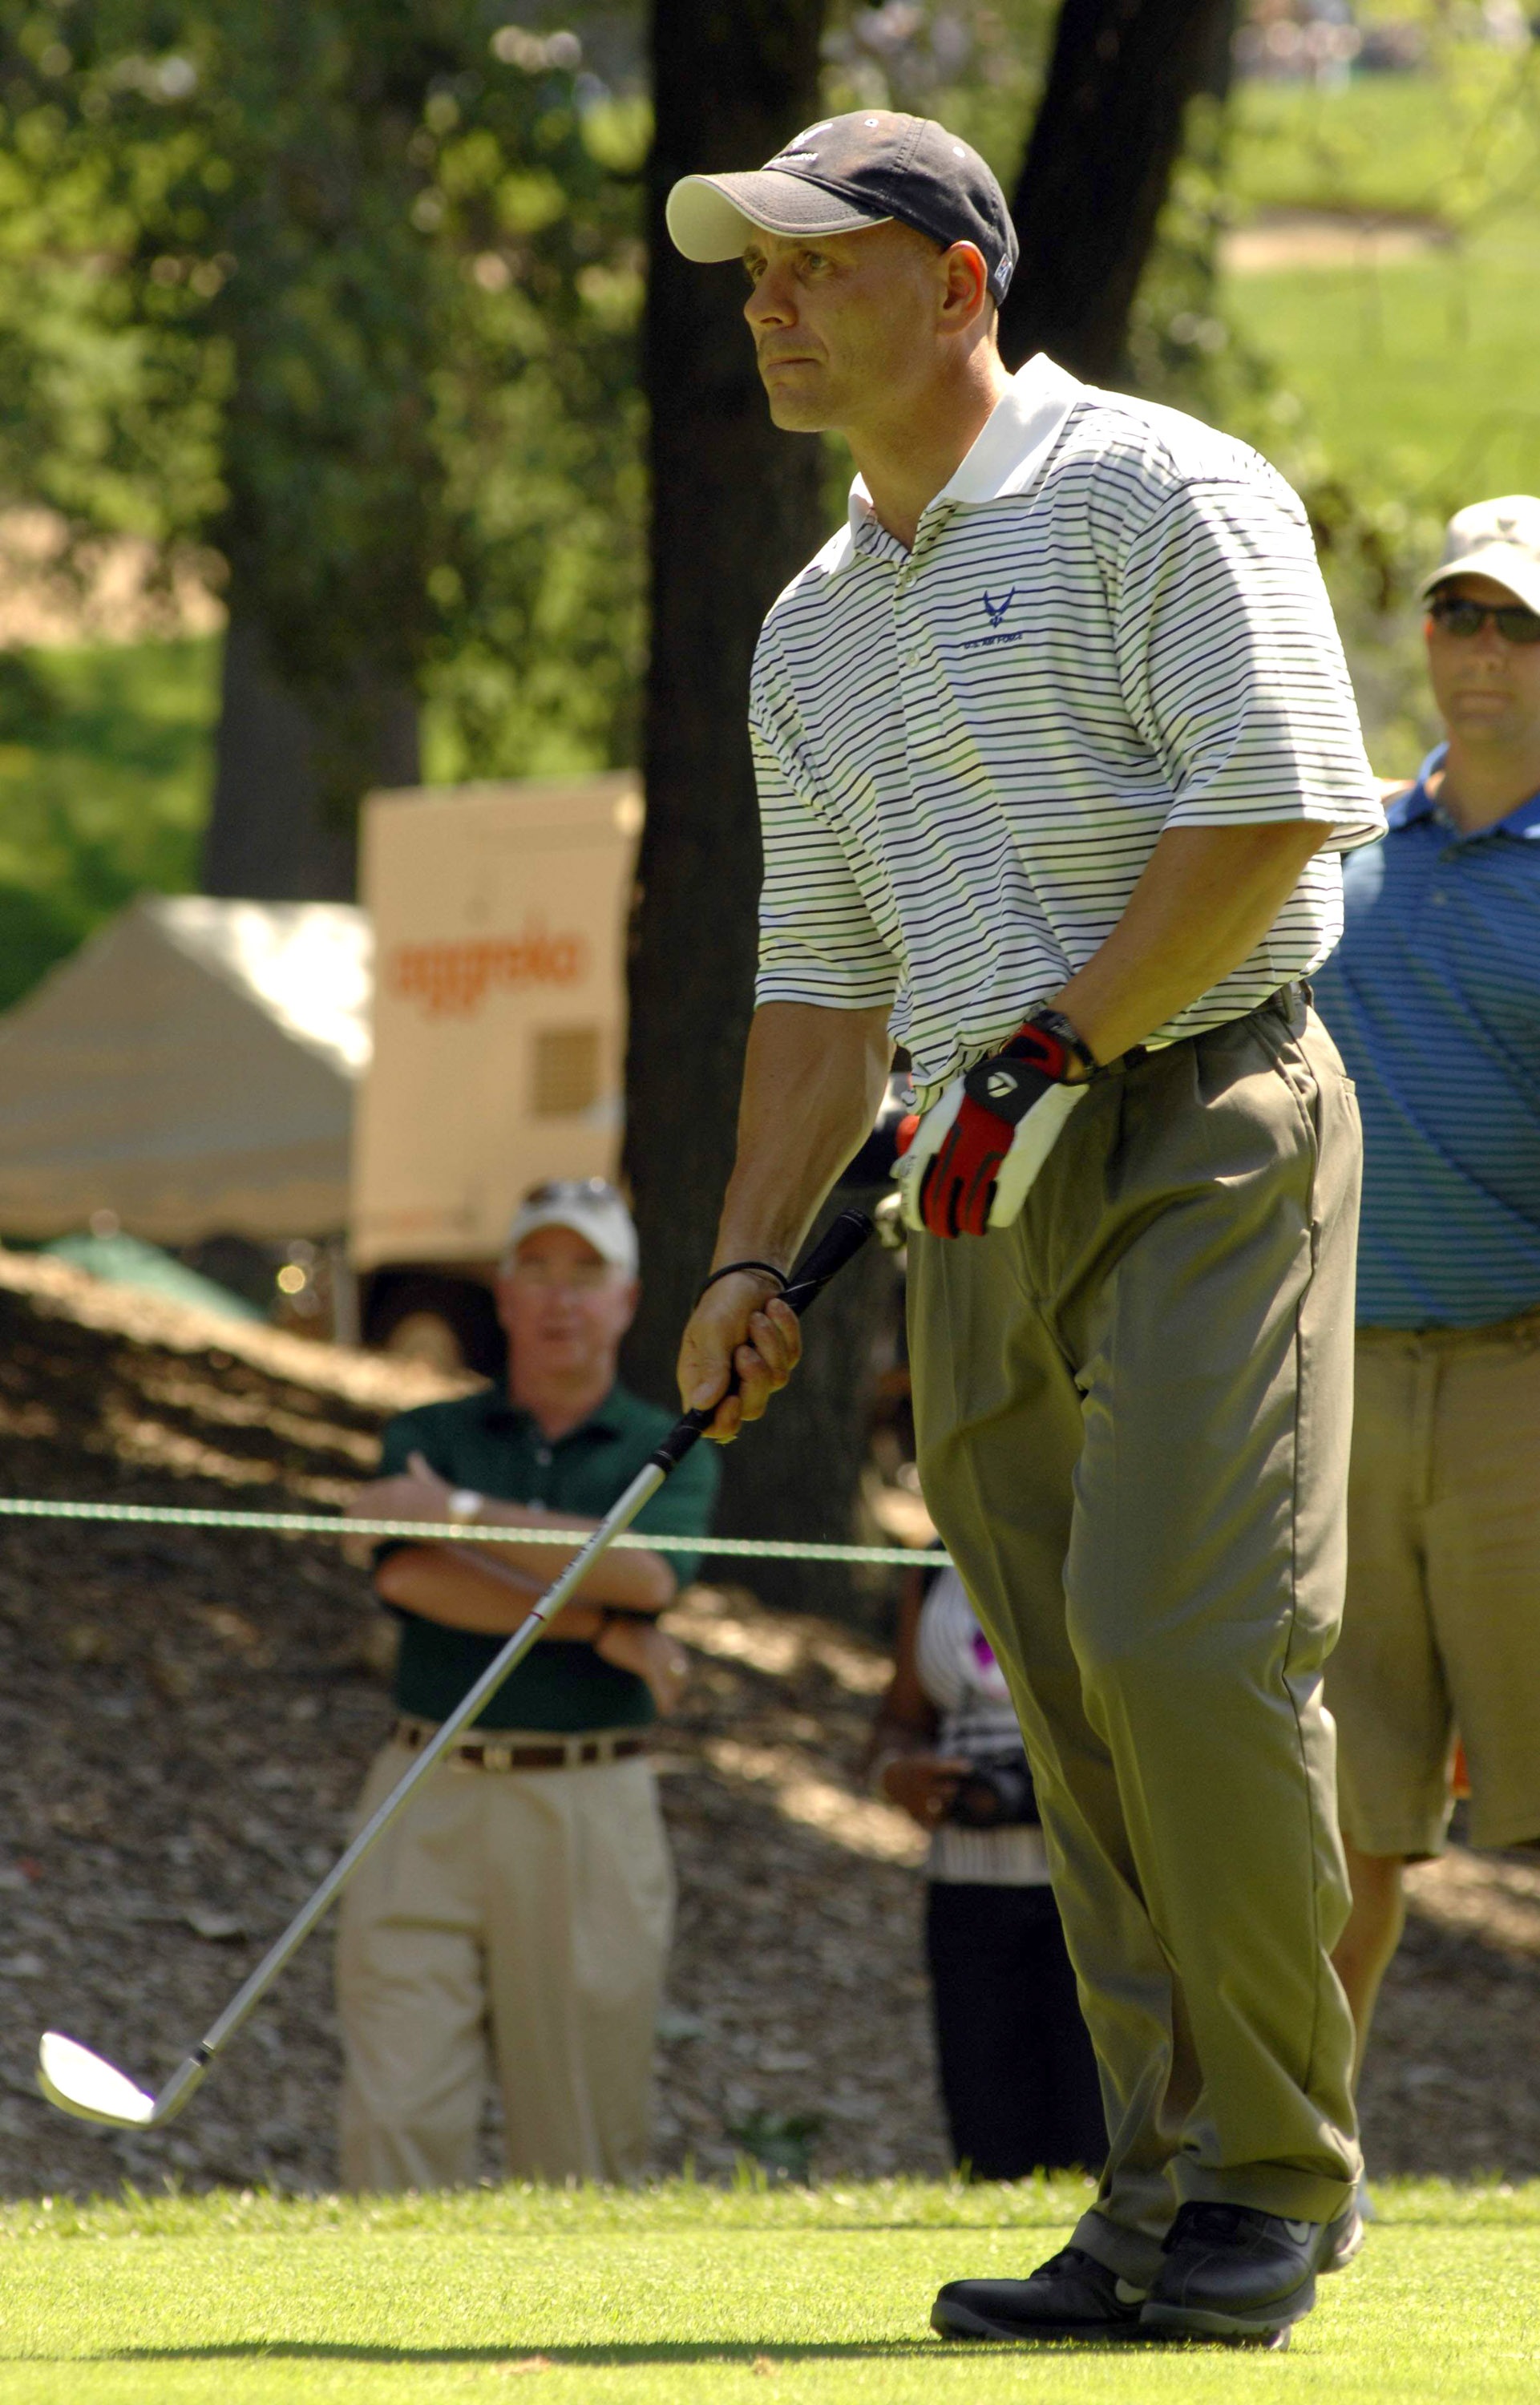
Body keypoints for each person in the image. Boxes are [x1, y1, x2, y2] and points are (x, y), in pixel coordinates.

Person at [664, 109, 1386, 2343]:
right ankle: (1160, 2189)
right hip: (972, 1175)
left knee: (1188, 1651)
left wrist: (1053, 1053)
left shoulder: (1164, 491)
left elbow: (1268, 815)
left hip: (1197, 1116)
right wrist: (742, 1260)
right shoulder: (810, 630)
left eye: (814, 264)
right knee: (1059, 1705)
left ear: (955, 286)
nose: (770, 306)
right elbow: (819, 981)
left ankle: (1273, 2167)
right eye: (754, 274)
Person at [338, 1178, 718, 2191]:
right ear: (500, 1295)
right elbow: (409, 1576)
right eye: (536, 1272)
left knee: (581, 2140)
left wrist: (459, 1513)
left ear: (628, 1299)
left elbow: (647, 1571)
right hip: (424, 1788)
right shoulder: (429, 1426)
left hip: (585, 1803)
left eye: (585, 1274)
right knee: (396, 2116)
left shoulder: (668, 1441)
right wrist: (598, 1626)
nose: (559, 1299)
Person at [1311, 498, 1540, 2086]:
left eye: (1521, 626)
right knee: (1342, 1826)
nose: (1484, 653)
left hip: (1522, 1391)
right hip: (1336, 1394)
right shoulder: (1338, 859)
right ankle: (1291, 2170)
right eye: (1463, 616)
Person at [868, 1558, 1105, 2180]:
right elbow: (899, 1723)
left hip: (1096, 1888)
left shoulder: (1105, 1539)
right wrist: (898, 1774)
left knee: (1097, 2133)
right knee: (985, 2140)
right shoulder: (932, 1567)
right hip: (967, 1890)